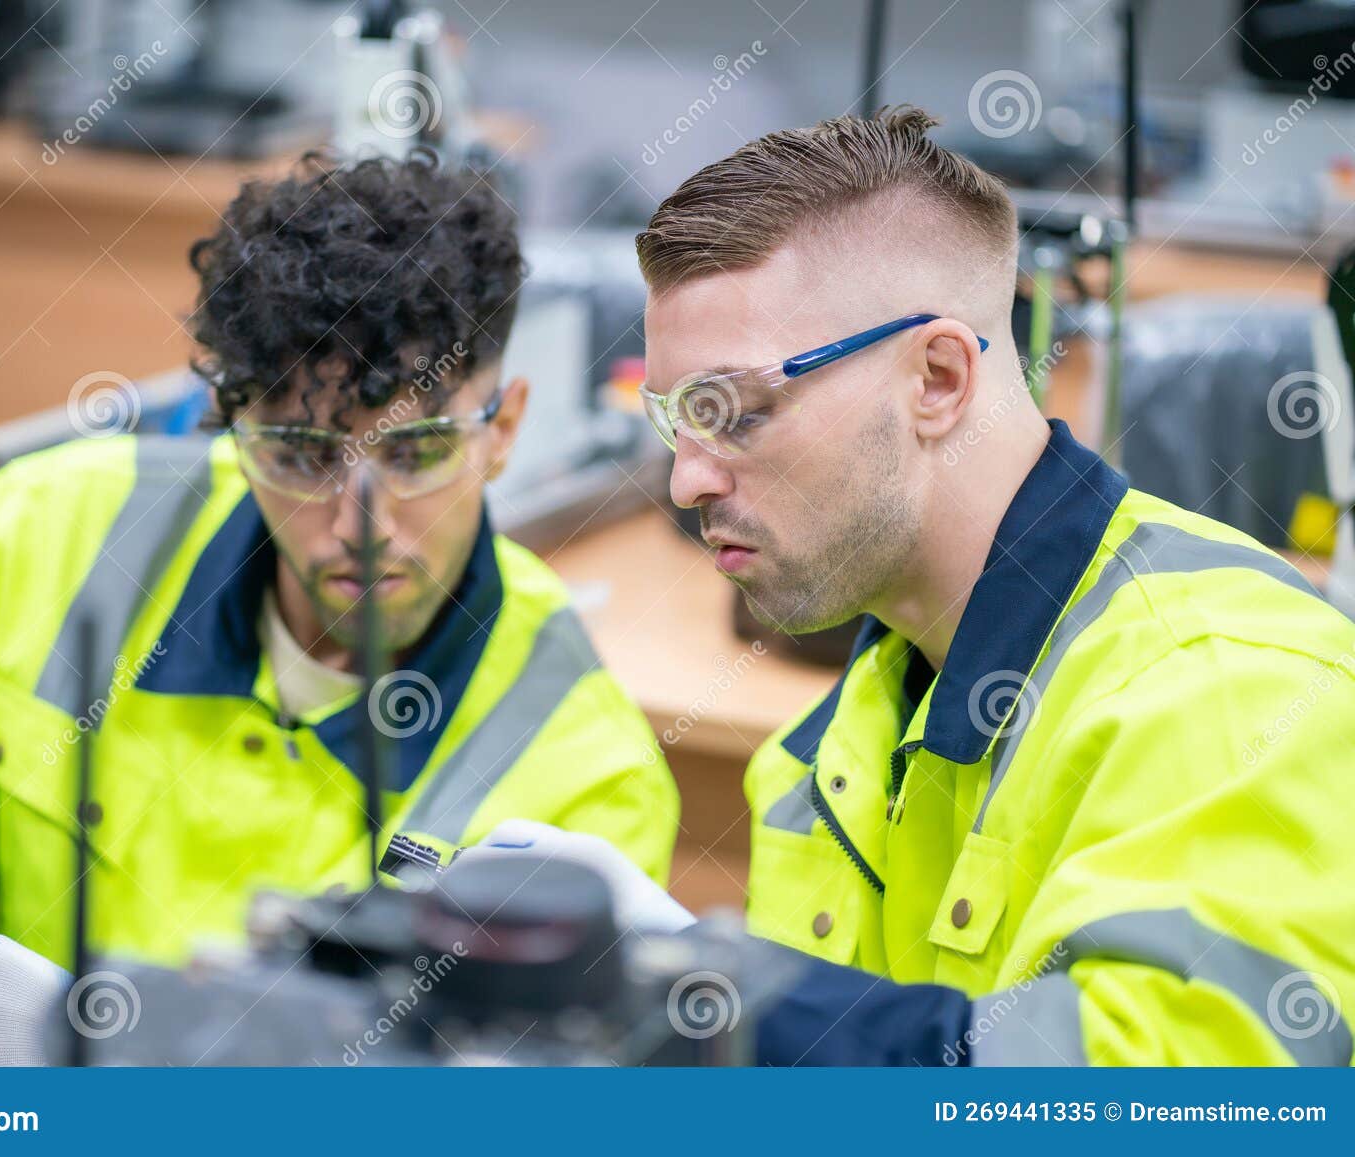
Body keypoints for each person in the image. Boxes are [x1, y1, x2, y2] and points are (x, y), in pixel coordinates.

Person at [0, 152, 679, 1065]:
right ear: (232, 424)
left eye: (415, 452)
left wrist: (89, 1051)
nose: (357, 527)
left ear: (504, 429)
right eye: (302, 453)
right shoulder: (49, 531)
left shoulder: (579, 782)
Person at [478, 107, 1355, 1066]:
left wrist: (725, 997)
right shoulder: (823, 762)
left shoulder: (1233, 691)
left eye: (731, 411)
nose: (688, 481)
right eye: (674, 420)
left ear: (937, 377)